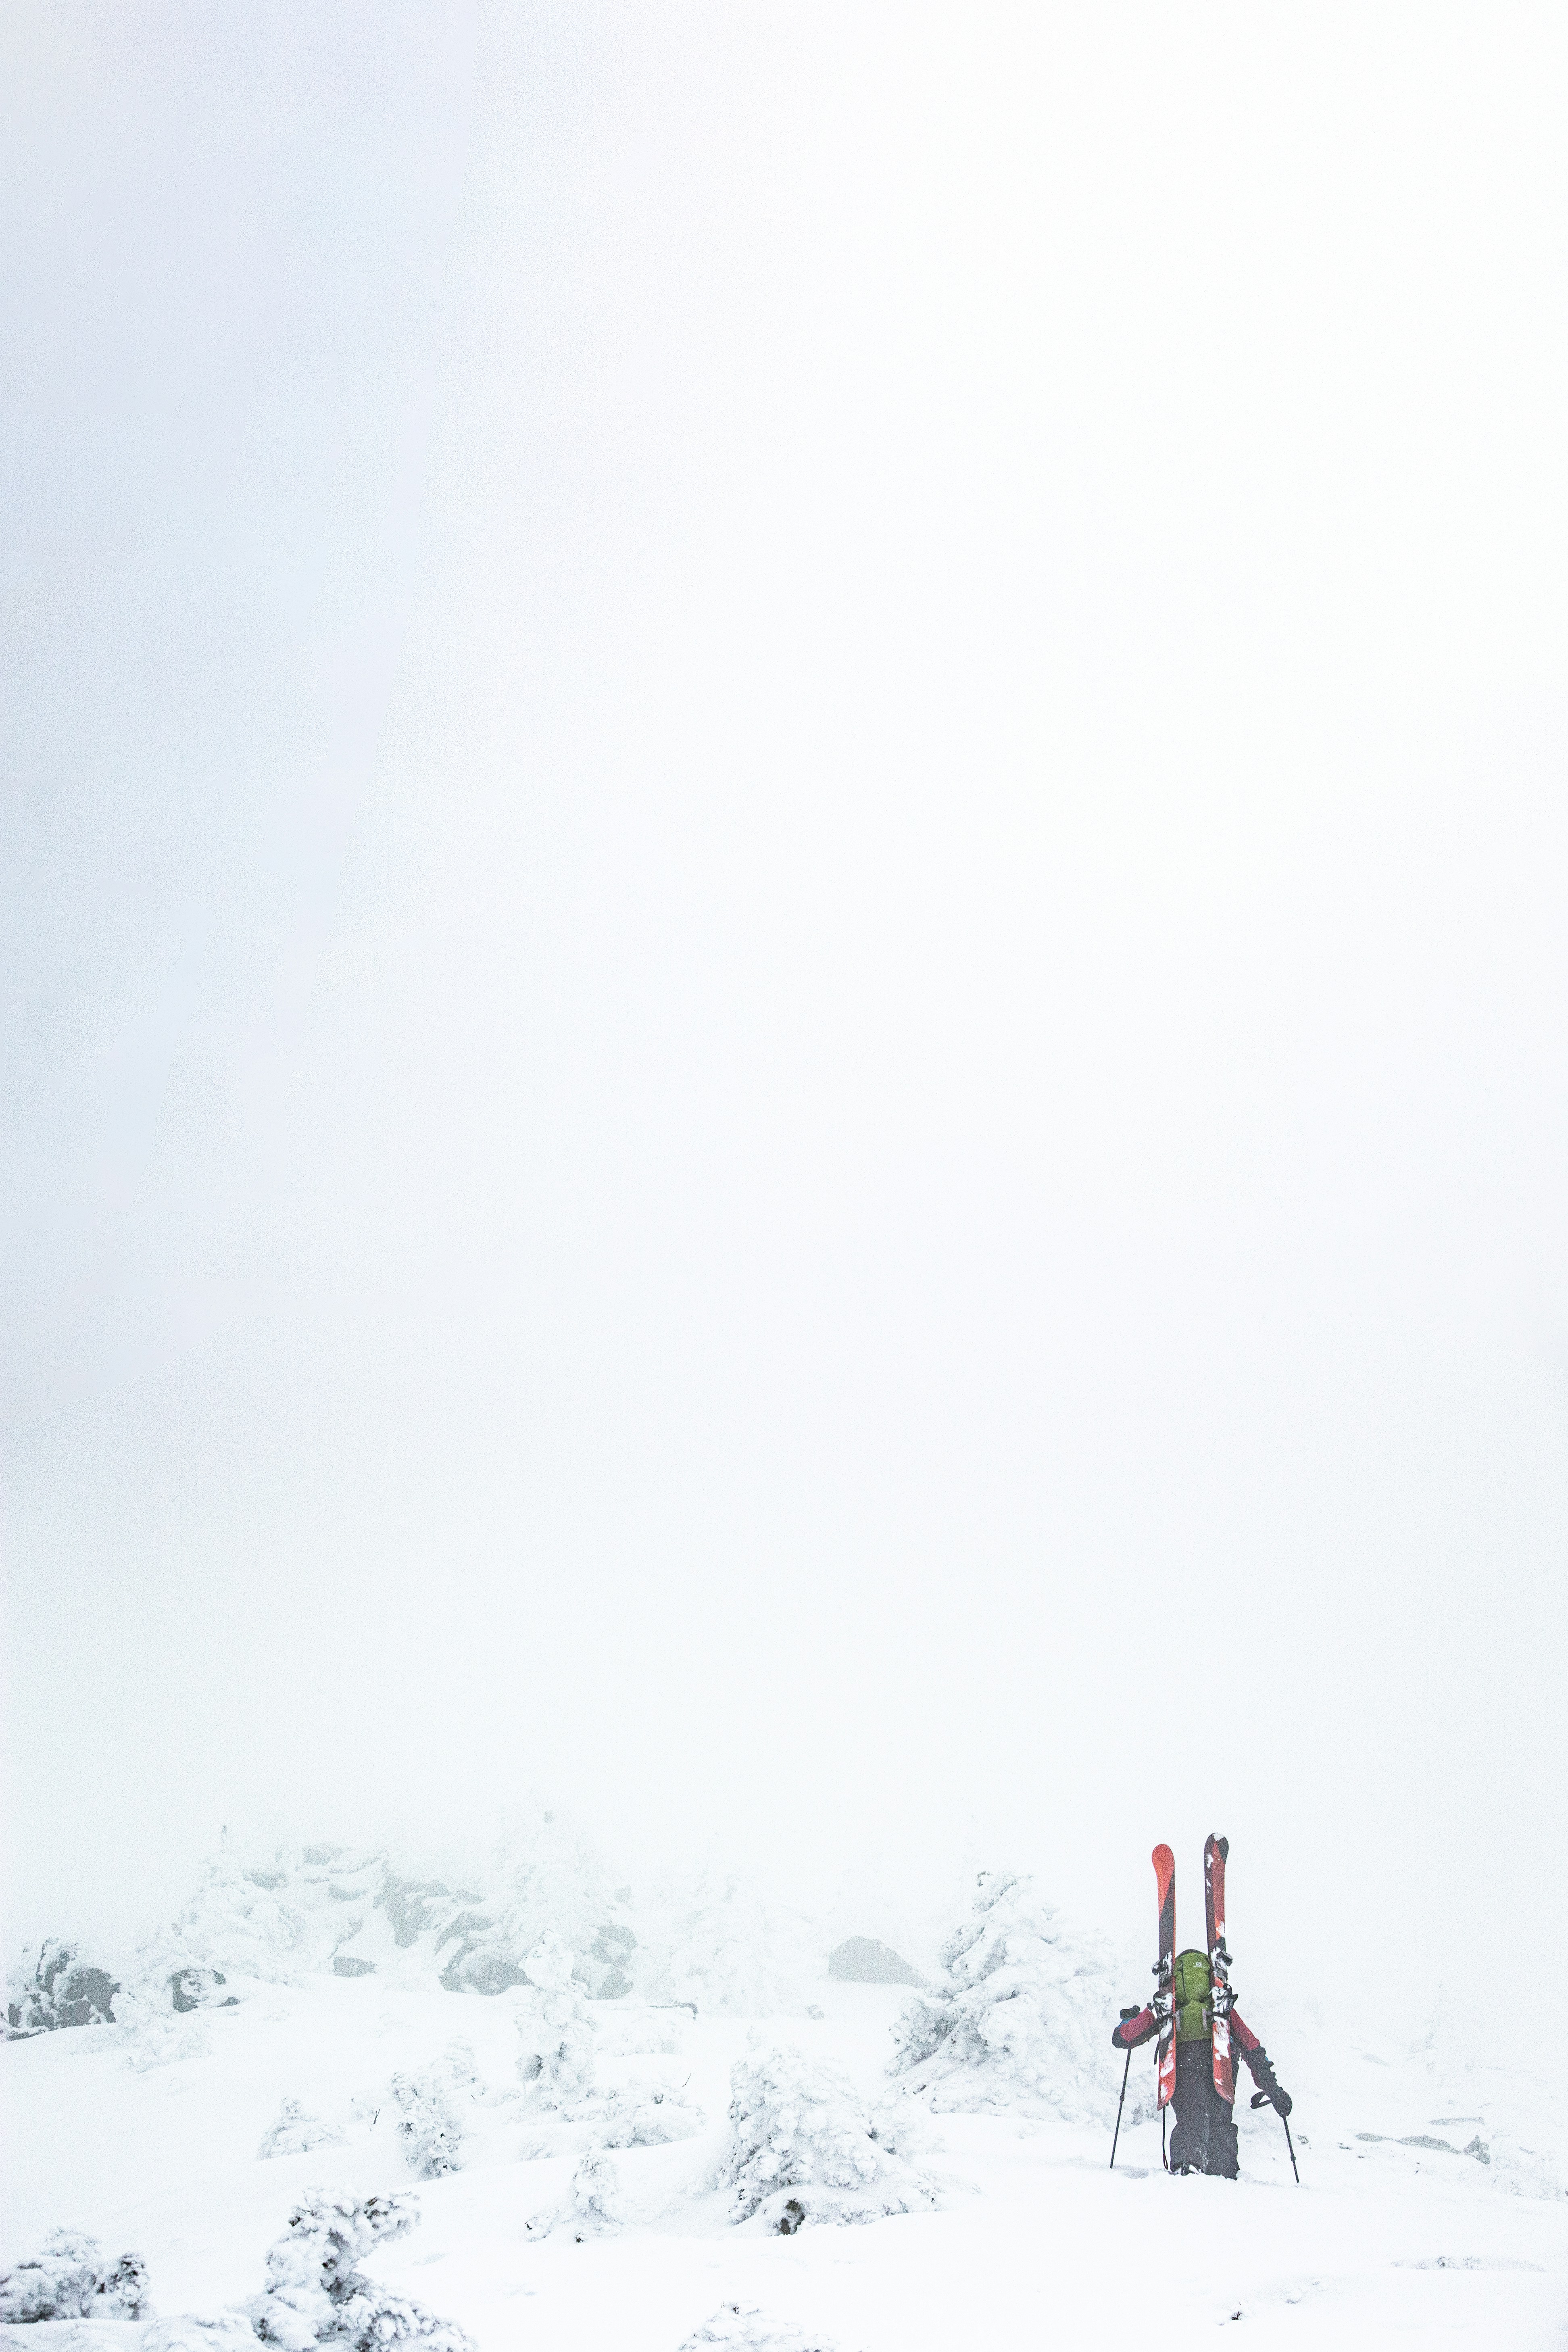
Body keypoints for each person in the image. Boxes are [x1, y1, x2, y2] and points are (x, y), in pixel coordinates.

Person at [1112, 1948, 1291, 2177]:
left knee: (1191, 2118)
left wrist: (1129, 2020)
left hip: (1182, 2063)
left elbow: (1123, 2038)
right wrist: (1274, 2091)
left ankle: (1187, 2166)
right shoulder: (1220, 2008)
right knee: (1220, 2122)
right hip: (1220, 2062)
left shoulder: (1167, 2006)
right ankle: (1224, 2174)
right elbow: (1252, 2048)